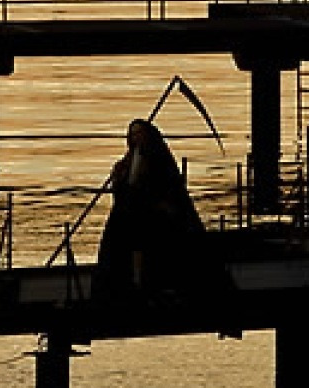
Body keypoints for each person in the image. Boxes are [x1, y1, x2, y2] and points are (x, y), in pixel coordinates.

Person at [92, 119, 230, 304]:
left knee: (145, 237)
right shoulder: (127, 162)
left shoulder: (158, 159)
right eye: (133, 134)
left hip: (155, 216)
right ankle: (131, 283)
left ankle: (149, 282)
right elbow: (125, 191)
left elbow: (165, 189)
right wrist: (119, 177)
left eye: (140, 133)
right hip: (131, 215)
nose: (137, 138)